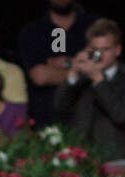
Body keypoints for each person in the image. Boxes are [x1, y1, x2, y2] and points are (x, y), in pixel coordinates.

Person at [54, 18, 125, 160]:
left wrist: (98, 80)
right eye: (95, 50)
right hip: (81, 158)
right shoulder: (82, 79)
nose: (99, 56)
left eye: (105, 49)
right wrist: (73, 73)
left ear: (117, 50)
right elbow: (59, 108)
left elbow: (121, 116)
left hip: (116, 159)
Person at [18, 0, 100, 130]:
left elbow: (103, 70)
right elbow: (40, 77)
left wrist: (64, 63)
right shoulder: (32, 31)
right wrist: (83, 69)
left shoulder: (95, 26)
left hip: (91, 120)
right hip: (47, 123)